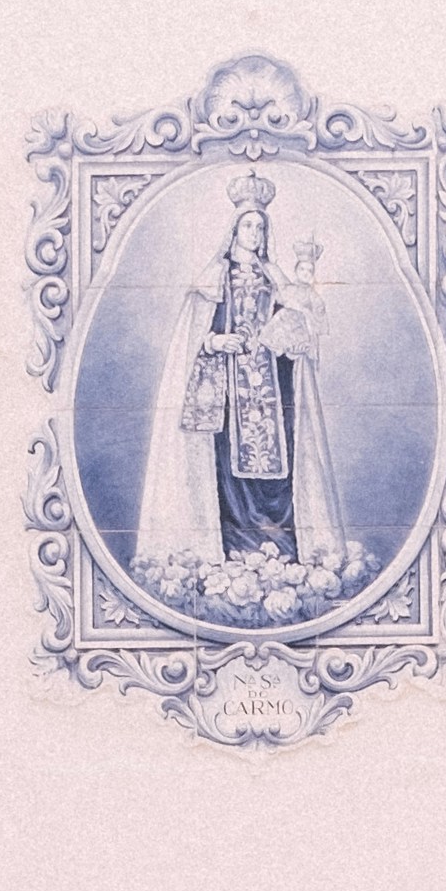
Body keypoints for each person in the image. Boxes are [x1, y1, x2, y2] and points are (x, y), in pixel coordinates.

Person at [136, 166, 348, 592]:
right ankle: (235, 549)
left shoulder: (275, 277)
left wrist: (296, 326)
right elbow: (193, 338)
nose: (254, 232)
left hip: (273, 388)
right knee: (227, 469)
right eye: (248, 224)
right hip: (228, 389)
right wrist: (218, 342)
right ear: (234, 228)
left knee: (279, 473)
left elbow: (297, 320)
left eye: (260, 226)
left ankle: (278, 551)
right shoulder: (213, 279)